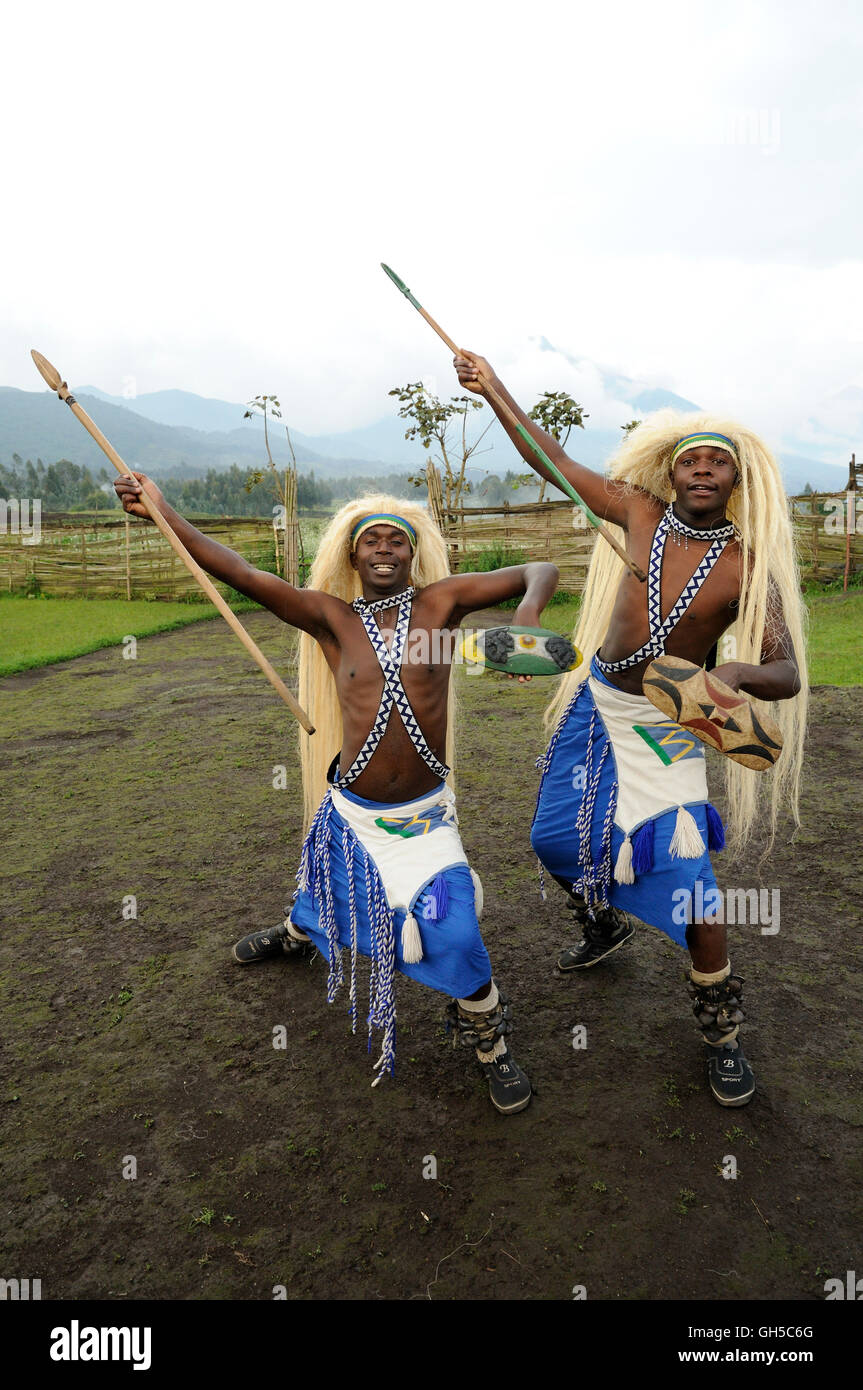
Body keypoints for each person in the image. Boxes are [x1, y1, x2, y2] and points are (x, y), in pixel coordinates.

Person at [114, 475, 560, 1113]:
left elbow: (538, 567)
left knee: (455, 931)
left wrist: (526, 619)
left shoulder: (441, 606)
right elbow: (240, 572)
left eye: (395, 540)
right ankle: (301, 933)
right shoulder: (333, 620)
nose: (383, 548)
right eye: (370, 540)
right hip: (353, 810)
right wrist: (165, 513)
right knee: (324, 887)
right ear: (352, 558)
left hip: (425, 819)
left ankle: (488, 1035)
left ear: (412, 553)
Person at [453, 352, 808, 1107]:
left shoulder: (749, 569)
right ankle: (601, 920)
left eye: (719, 462)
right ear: (672, 474)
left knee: (696, 898)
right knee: (551, 839)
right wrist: (493, 389)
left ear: (735, 482)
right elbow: (547, 456)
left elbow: (786, 673)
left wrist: (738, 677)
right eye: (693, 461)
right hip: (597, 706)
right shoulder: (636, 513)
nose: (704, 471)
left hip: (670, 723)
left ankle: (720, 1033)